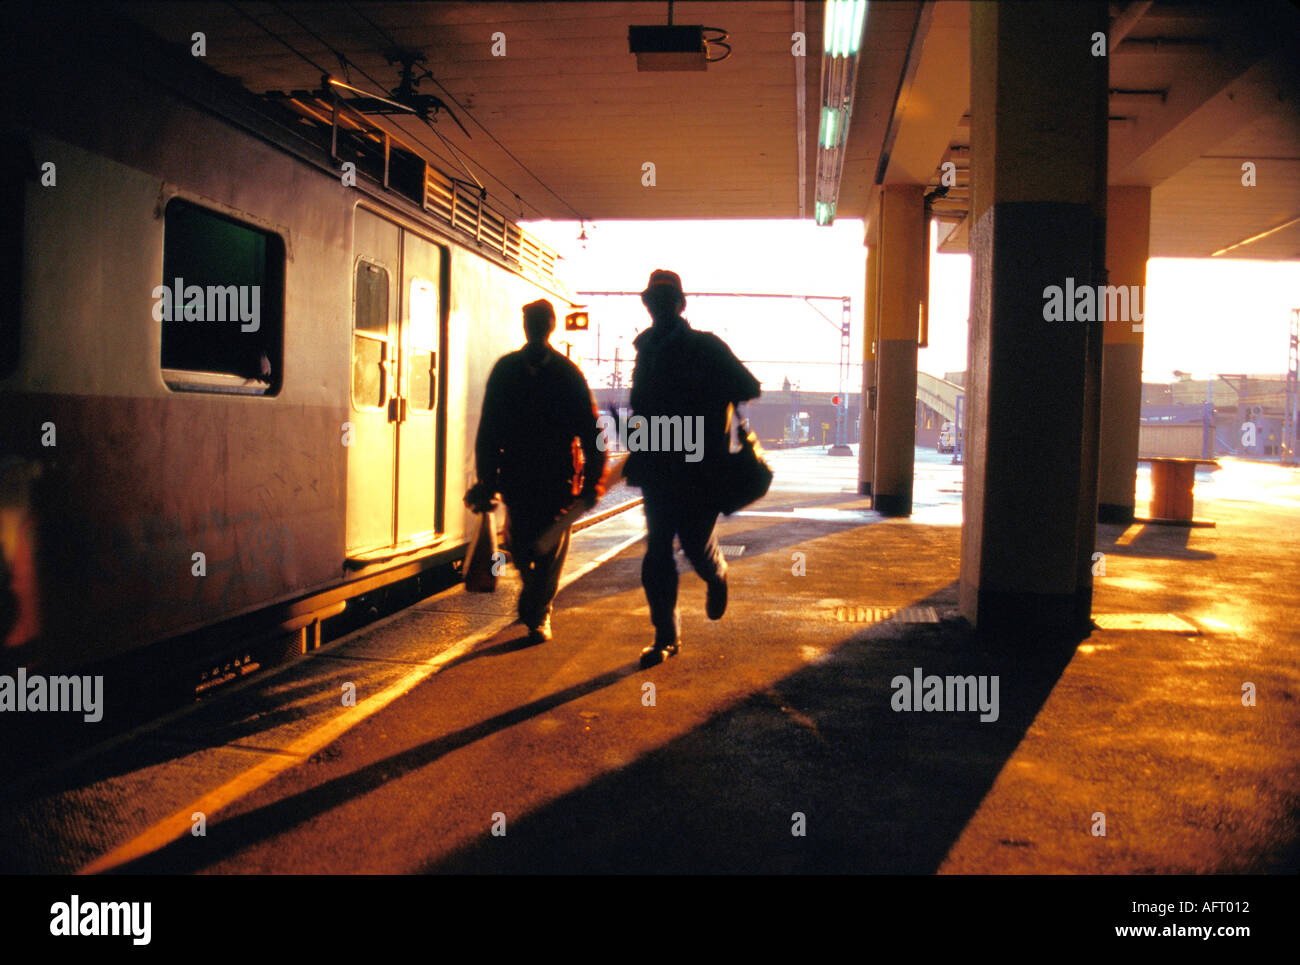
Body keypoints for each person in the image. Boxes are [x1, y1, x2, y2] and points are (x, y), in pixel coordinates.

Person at [624, 269, 761, 668]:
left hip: (701, 468)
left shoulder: (706, 347)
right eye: (653, 300)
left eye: (665, 300)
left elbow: (749, 387)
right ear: (648, 305)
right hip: (658, 466)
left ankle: (716, 572)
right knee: (658, 551)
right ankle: (665, 637)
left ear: (680, 306)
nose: (658, 307)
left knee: (695, 545)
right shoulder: (644, 349)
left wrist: (707, 392)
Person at [465, 299, 605, 644]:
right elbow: (591, 431)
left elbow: (489, 429)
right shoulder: (562, 373)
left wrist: (591, 481)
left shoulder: (513, 370)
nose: (535, 327)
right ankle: (536, 603)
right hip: (522, 477)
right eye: (534, 322)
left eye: (538, 322)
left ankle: (538, 614)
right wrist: (486, 480)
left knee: (548, 548)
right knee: (526, 546)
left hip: (553, 478)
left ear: (543, 326)